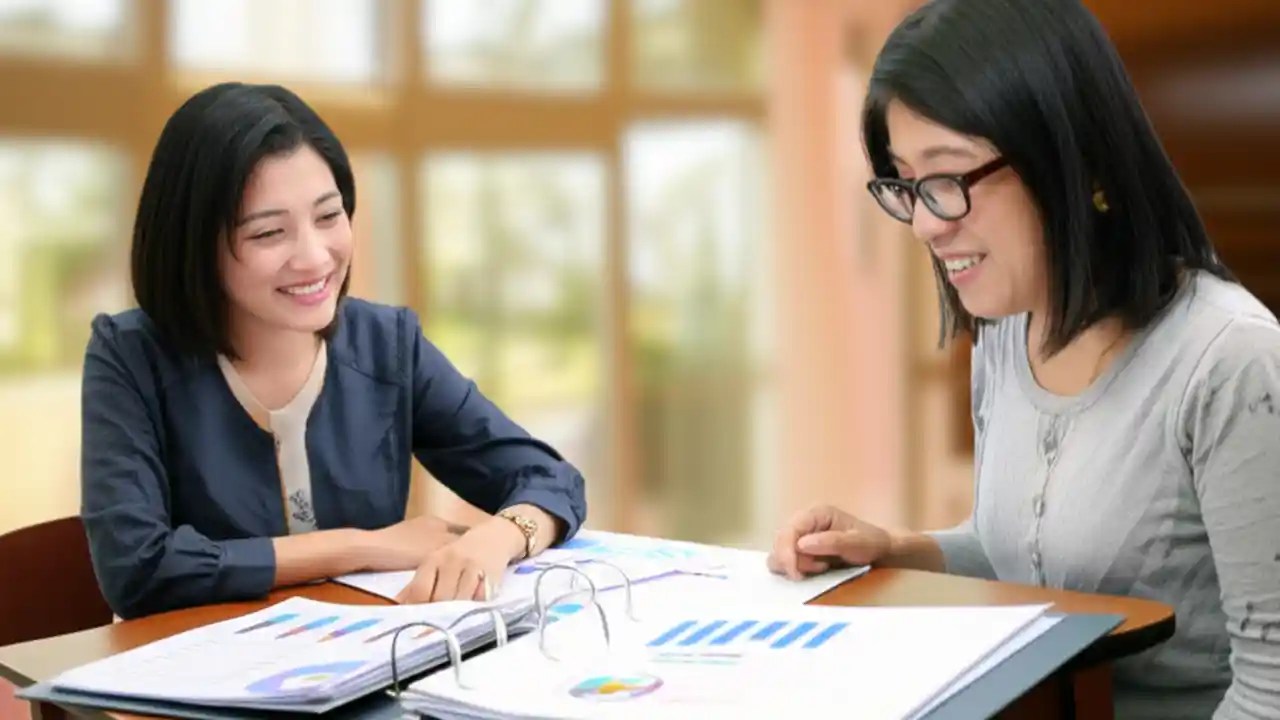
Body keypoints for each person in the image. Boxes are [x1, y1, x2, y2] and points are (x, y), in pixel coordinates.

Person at [767, 1, 1280, 718]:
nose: (923, 223)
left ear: (1073, 158)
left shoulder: (1231, 364)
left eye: (946, 179)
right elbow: (1018, 550)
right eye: (906, 184)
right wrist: (889, 547)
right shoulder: (1010, 331)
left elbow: (1272, 687)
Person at [80, 82, 587, 620]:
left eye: (328, 216)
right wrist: (362, 547)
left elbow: (549, 480)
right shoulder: (129, 356)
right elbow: (136, 570)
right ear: (193, 244)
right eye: (270, 232)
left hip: (366, 666)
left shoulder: (386, 344)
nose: (315, 256)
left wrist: (498, 539)